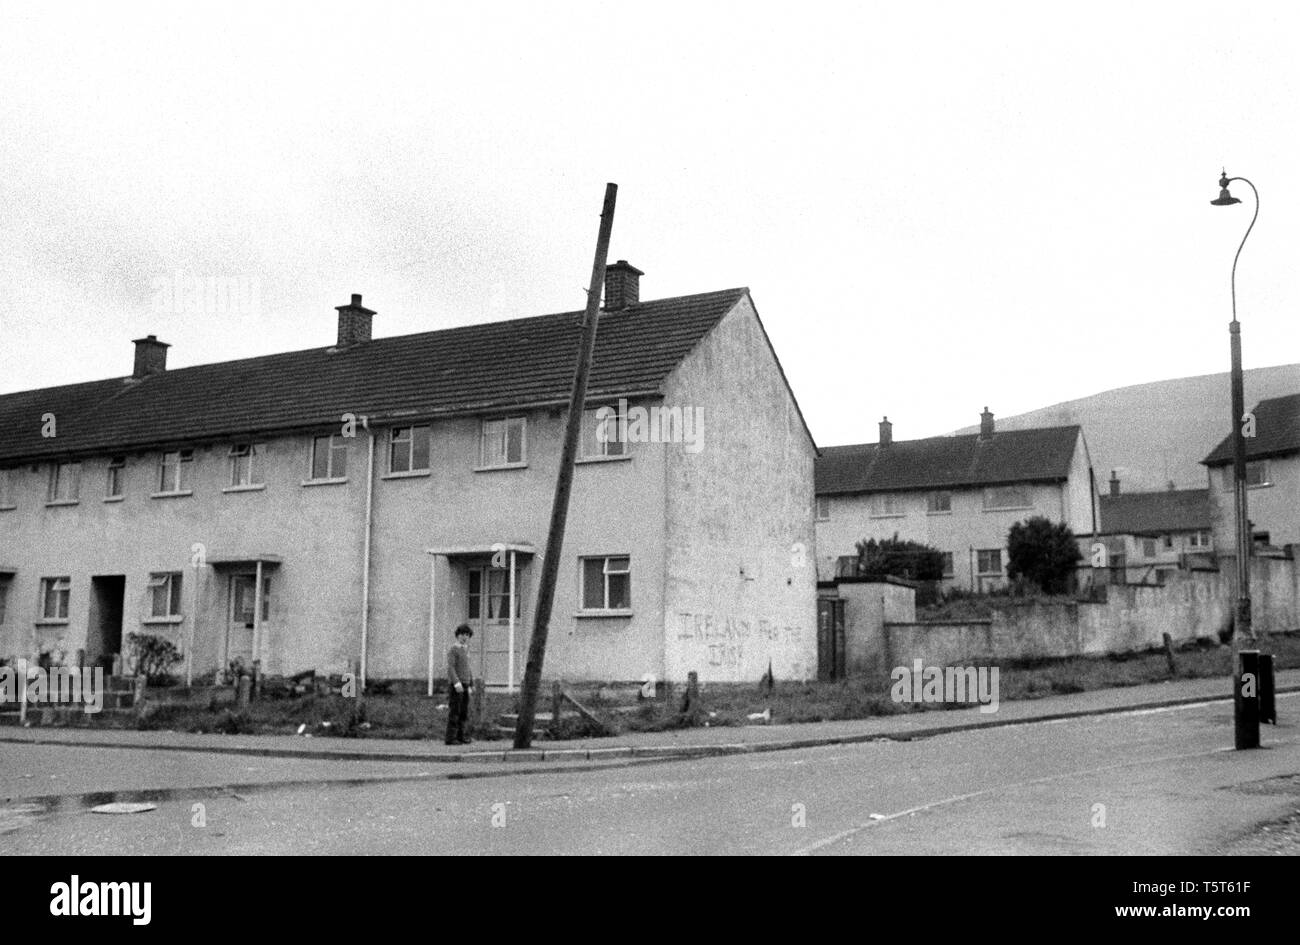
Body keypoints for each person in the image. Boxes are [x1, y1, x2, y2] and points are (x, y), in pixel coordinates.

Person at [445, 623, 475, 745]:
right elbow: (451, 668)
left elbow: (468, 668)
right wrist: (456, 683)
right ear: (457, 635)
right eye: (462, 634)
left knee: (463, 712)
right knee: (455, 711)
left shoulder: (466, 650)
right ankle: (451, 738)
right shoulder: (453, 650)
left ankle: (461, 736)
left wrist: (471, 683)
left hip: (466, 683)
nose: (464, 637)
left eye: (467, 635)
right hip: (457, 685)